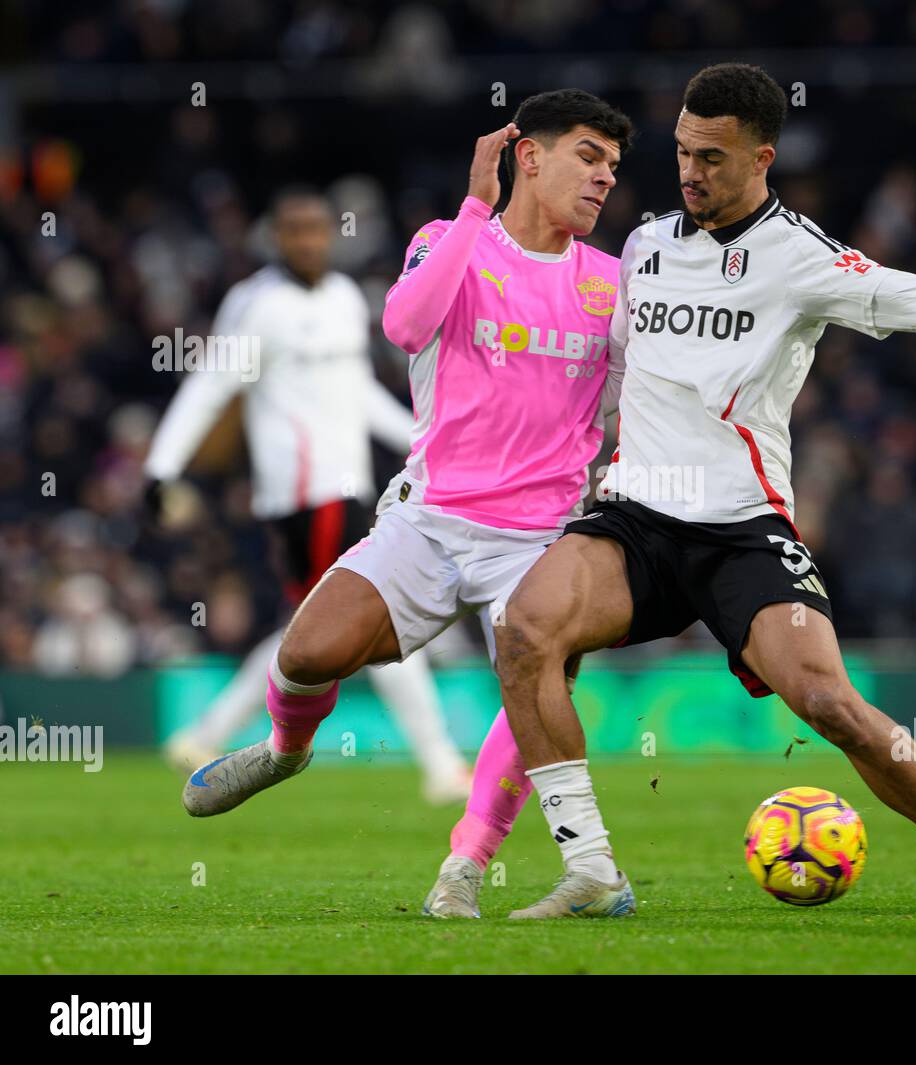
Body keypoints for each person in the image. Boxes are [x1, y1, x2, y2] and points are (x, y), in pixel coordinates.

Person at [491, 63, 916, 920]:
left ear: (762, 158)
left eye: (711, 158)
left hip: (741, 529)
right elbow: (621, 371)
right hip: (635, 519)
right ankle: (592, 870)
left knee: (830, 702)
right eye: (681, 153)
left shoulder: (801, 258)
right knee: (524, 631)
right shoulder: (645, 247)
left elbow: (915, 297)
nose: (690, 172)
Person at [180, 91, 634, 922]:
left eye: (613, 164)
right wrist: (473, 203)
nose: (606, 177)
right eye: (588, 155)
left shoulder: (614, 285)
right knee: (308, 654)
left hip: (541, 536)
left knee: (531, 675)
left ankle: (465, 867)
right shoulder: (450, 242)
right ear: (527, 157)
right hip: (428, 517)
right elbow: (404, 322)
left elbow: (625, 410)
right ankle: (284, 751)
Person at [145, 188, 470, 803]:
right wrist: (161, 467)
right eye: (294, 231)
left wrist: (430, 440)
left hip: (349, 489)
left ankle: (203, 733)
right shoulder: (256, 305)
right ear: (275, 237)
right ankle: (440, 764)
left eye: (317, 230)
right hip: (300, 496)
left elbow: (358, 394)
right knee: (371, 618)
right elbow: (211, 386)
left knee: (321, 625)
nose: (308, 242)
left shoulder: (346, 299)